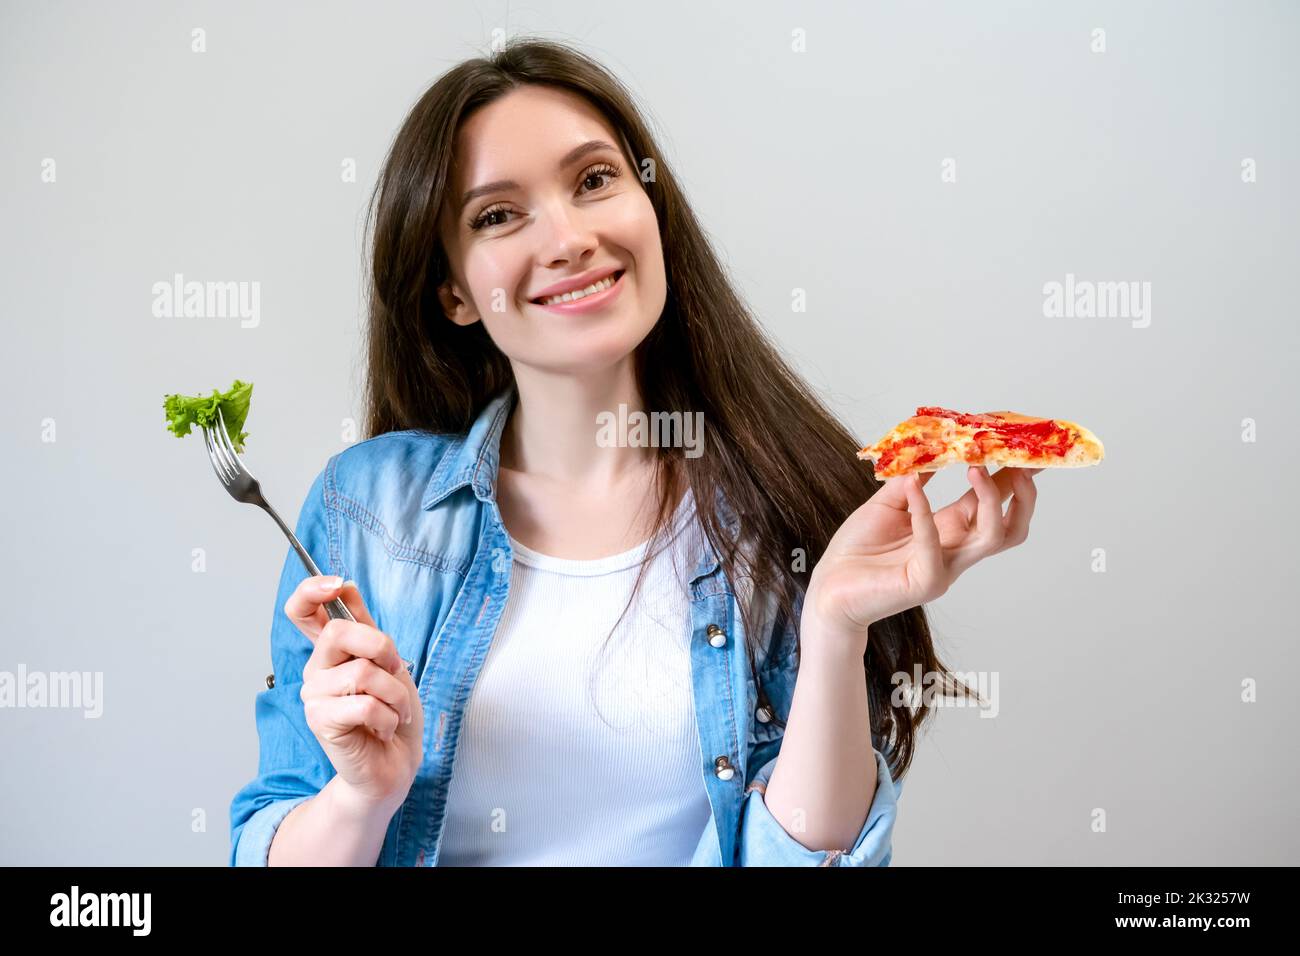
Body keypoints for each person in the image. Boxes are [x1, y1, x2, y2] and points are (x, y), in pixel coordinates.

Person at [230, 36, 1040, 867]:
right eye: (499, 215)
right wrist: (361, 796)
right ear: (455, 294)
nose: (570, 236)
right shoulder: (366, 510)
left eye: (594, 180)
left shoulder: (785, 510)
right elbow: (270, 834)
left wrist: (834, 626)